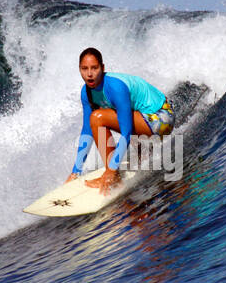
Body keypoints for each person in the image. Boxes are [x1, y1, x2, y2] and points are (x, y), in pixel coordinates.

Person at [66, 47, 173, 194]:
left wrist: (111, 170)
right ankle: (144, 153)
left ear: (102, 68)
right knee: (103, 118)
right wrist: (75, 171)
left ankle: (114, 177)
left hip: (161, 118)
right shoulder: (87, 93)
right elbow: (87, 131)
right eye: (84, 69)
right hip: (144, 118)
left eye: (94, 68)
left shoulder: (115, 87)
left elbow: (127, 131)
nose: (89, 74)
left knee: (98, 117)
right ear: (79, 69)